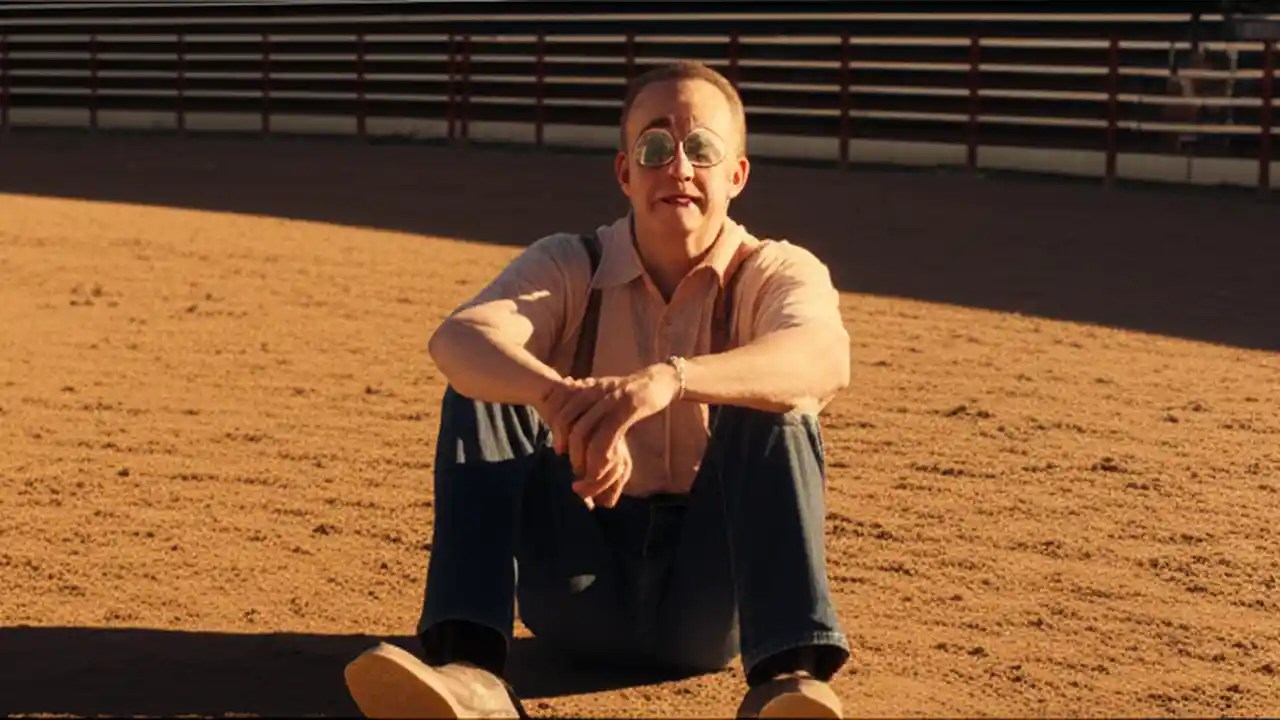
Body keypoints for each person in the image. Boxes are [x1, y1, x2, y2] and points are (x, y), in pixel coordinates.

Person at [343, 60, 852, 719]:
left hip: (708, 598)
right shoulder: (569, 262)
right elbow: (457, 339)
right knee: (484, 386)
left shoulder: (774, 270)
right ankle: (470, 674)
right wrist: (562, 404)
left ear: (737, 175)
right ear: (625, 172)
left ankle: (787, 685)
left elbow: (823, 357)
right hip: (576, 579)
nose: (678, 167)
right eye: (655, 147)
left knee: (777, 407)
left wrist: (674, 380)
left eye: (701, 148)